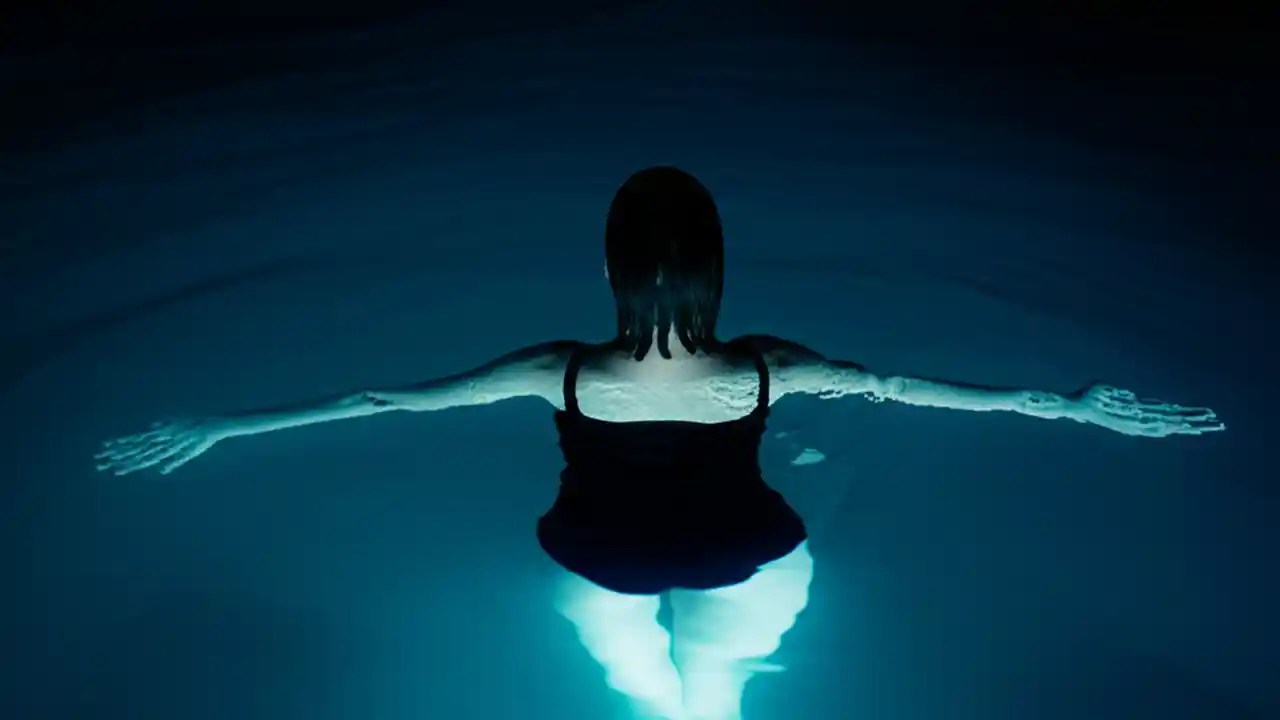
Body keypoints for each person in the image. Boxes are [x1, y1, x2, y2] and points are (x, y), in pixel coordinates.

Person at [96, 166, 1224, 719]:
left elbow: (382, 402)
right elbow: (905, 389)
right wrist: (1062, 403)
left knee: (631, 675)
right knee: (719, 678)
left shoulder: (557, 370)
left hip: (596, 558)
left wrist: (223, 425)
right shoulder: (766, 367)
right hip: (747, 554)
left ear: (606, 274)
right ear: (720, 276)